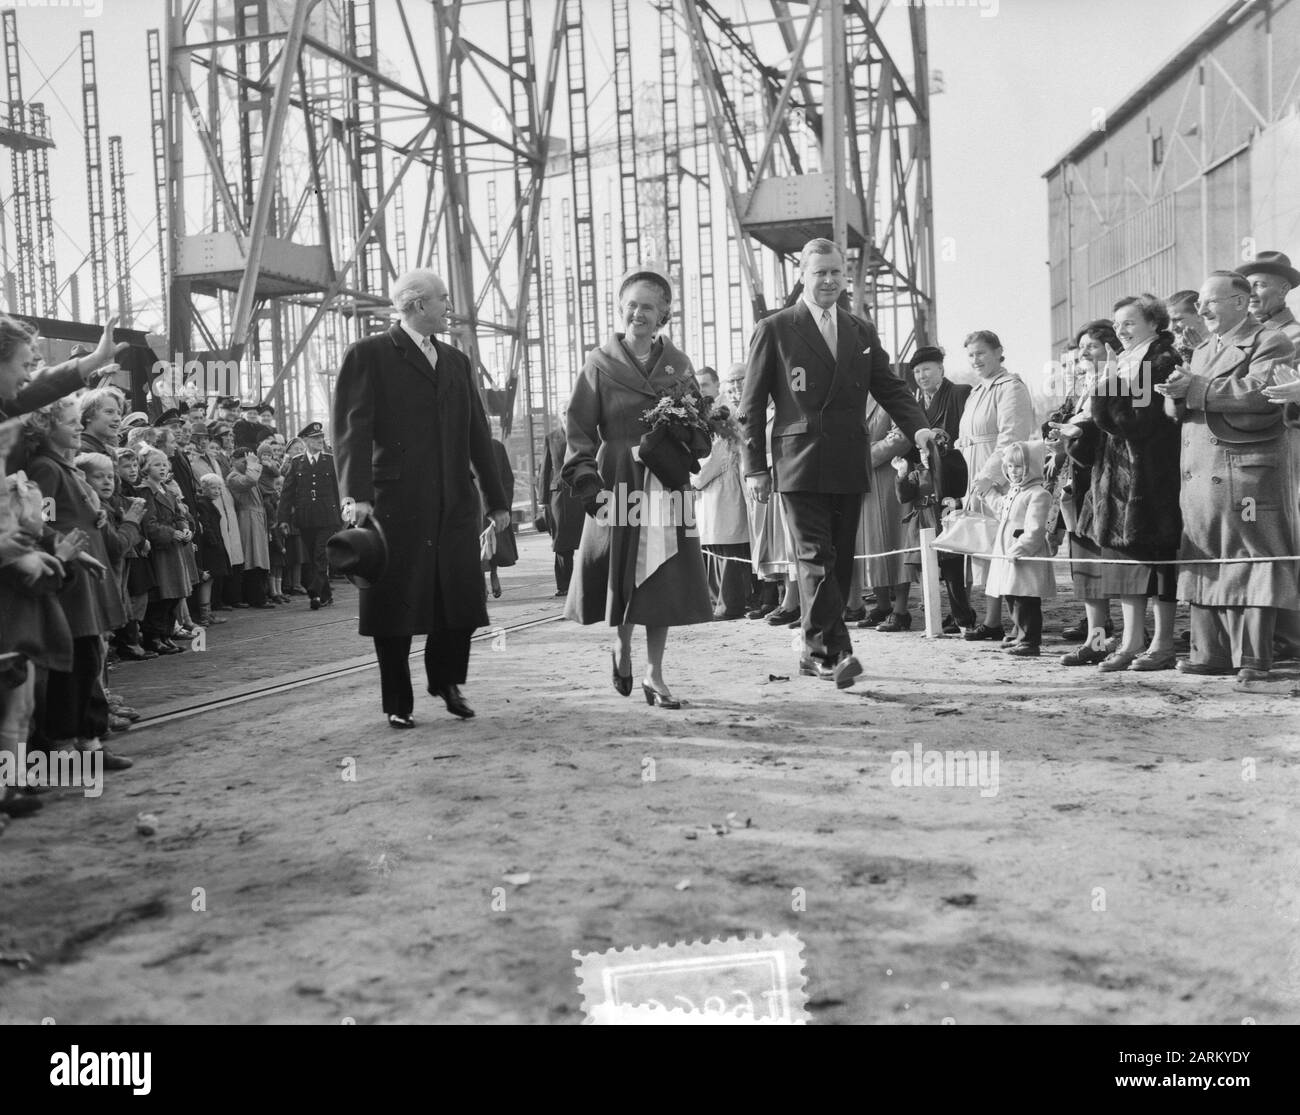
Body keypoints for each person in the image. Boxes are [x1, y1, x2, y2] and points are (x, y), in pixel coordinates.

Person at [739, 238, 934, 688]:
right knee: (814, 557)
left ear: (845, 277)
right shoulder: (775, 329)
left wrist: (919, 427)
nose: (828, 281)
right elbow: (750, 406)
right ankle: (835, 651)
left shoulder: (861, 331)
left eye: (835, 273)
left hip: (849, 459)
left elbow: (889, 386)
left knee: (840, 561)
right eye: (819, 272)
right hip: (798, 461)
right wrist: (754, 467)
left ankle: (811, 649)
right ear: (802, 277)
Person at [333, 268, 510, 729]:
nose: (448, 306)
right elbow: (352, 430)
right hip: (393, 504)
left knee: (460, 600)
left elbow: (477, 434)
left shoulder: (455, 361)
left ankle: (446, 681)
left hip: (453, 502)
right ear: (415, 305)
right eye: (442, 299)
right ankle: (398, 701)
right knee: (393, 605)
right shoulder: (369, 355)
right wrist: (356, 497)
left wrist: (496, 499)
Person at [563, 266, 712, 708]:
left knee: (662, 575)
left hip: (666, 481)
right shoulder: (599, 363)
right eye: (630, 305)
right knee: (625, 570)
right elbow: (578, 429)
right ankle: (622, 648)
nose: (637, 313)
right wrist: (587, 482)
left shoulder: (679, 364)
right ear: (620, 309)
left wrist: (689, 435)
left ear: (664, 313)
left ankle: (656, 674)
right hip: (620, 480)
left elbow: (699, 429)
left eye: (648, 306)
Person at [1157, 270, 1299, 687]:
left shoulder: (1271, 340)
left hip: (1247, 471)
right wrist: (1174, 395)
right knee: (1205, 555)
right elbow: (1192, 398)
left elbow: (1263, 394)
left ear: (1239, 303)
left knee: (1255, 558)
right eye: (1200, 303)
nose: (1201, 309)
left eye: (1210, 302)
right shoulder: (1202, 348)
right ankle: (1211, 652)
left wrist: (1195, 388)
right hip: (1201, 467)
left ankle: (1255, 657)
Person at [23, 398, 131, 770]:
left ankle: (89, 740)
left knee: (89, 659)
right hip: (71, 582)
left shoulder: (62, 467)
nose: (78, 428)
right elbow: (39, 522)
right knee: (76, 662)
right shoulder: (46, 469)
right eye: (70, 422)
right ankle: (67, 746)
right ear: (47, 428)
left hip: (84, 580)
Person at [1079, 295, 1184, 672]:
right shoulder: (1125, 361)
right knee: (1125, 564)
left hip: (1150, 479)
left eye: (1129, 323)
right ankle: (1130, 641)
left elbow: (1135, 423)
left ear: (1154, 324)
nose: (1120, 330)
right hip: (1118, 480)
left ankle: (1162, 642)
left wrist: (1106, 384)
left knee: (1158, 562)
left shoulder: (1159, 362)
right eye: (1117, 323)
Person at [955, 329, 1035, 641]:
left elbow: (1012, 435)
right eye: (971, 355)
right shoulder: (977, 392)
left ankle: (1004, 621)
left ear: (998, 352)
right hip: (973, 475)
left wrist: (989, 476)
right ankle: (990, 619)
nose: (975, 360)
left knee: (1000, 547)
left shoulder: (1009, 387)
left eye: (981, 353)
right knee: (982, 550)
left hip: (997, 476)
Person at [975, 440, 1055, 656]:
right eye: (1010, 466)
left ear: (1032, 467)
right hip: (1007, 554)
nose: (1013, 471)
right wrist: (988, 492)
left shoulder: (1038, 494)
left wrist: (1020, 549)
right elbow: (1001, 509)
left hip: (1023, 557)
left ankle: (1030, 641)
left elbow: (1035, 529)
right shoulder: (1015, 491)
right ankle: (1019, 635)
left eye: (1019, 466)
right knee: (1012, 596)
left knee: (1025, 600)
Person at [691, 365, 751, 620]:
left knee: (729, 550)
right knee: (716, 549)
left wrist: (694, 479)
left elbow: (717, 457)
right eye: (698, 385)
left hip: (723, 489)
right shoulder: (703, 414)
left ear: (717, 386)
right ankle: (718, 602)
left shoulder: (723, 413)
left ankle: (729, 605)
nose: (700, 390)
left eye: (705, 385)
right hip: (712, 493)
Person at [276, 421, 340, 610]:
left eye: (321, 437)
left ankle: (314, 589)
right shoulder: (297, 463)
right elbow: (287, 493)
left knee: (320, 554)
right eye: (315, 438)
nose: (320, 441)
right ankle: (325, 596)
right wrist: (283, 520)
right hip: (305, 519)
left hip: (328, 516)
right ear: (305, 440)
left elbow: (340, 490)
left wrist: (346, 516)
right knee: (313, 557)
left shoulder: (330, 461)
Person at [537, 425, 584, 597]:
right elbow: (545, 469)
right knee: (562, 541)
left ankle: (589, 581)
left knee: (588, 539)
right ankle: (564, 585)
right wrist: (542, 500)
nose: (566, 415)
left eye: (568, 411)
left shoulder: (585, 432)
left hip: (584, 491)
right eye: (563, 412)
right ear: (559, 415)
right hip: (559, 496)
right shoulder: (551, 437)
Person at [226, 447, 273, 609]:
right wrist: (253, 464)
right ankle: (255, 597)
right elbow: (251, 480)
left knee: (259, 559)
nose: (247, 464)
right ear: (233, 460)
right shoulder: (233, 477)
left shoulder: (244, 474)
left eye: (248, 461)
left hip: (256, 519)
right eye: (243, 461)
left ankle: (261, 594)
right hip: (247, 519)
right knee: (253, 559)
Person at [1238, 250, 1300, 347]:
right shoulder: (1238, 330)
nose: (1250, 293)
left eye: (1259, 285)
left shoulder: (1294, 337)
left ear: (1283, 290)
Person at [480, 437, 517, 599]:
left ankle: (494, 574)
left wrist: (504, 505)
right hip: (474, 505)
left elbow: (507, 478)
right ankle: (480, 582)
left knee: (495, 545)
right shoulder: (458, 445)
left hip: (494, 505)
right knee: (477, 547)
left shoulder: (496, 447)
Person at [911, 345, 970, 444]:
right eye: (917, 371)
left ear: (941, 369)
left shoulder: (961, 393)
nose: (921, 376)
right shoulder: (917, 407)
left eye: (926, 369)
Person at [1167, 290, 1206, 364]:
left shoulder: (1218, 347)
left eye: (1177, 320)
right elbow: (1146, 375)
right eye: (1169, 321)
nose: (1171, 328)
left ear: (1199, 316)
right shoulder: (1160, 348)